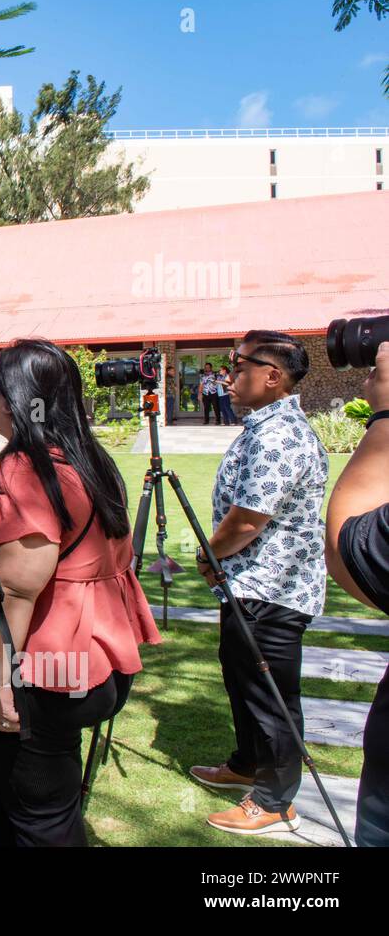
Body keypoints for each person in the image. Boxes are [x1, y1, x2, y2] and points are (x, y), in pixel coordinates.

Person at [0, 339, 160, 846]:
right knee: (35, 799)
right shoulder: (91, 460)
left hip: (41, 672)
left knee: (41, 818)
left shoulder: (23, 469)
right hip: (98, 663)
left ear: (14, 397)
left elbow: (15, 590)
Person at [190, 330, 328, 835]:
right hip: (250, 585)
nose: (228, 376)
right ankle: (247, 764)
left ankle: (274, 801)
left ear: (273, 377)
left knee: (270, 697)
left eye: (239, 366)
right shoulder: (262, 426)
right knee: (242, 679)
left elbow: (249, 520)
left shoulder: (278, 435)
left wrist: (210, 554)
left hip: (273, 589)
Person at [325, 339, 389, 847]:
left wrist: (386, 416)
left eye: (242, 365)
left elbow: (351, 545)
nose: (231, 378)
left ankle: (271, 790)